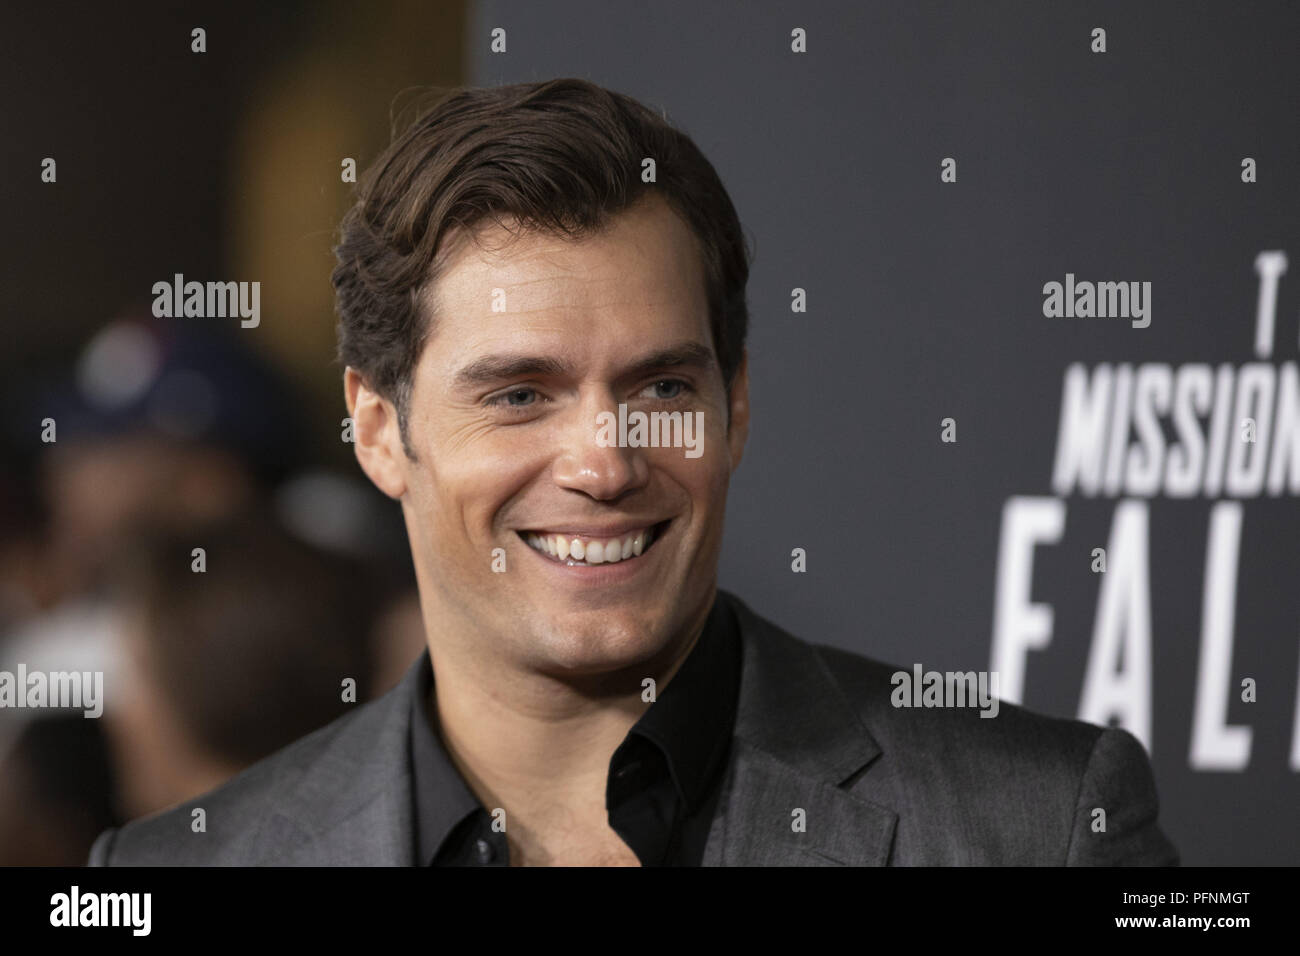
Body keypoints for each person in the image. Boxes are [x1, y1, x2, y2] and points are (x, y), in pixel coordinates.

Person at [89, 77, 1178, 866]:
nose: (605, 462)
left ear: (735, 405)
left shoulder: (1035, 826)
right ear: (379, 431)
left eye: (662, 387)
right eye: (518, 394)